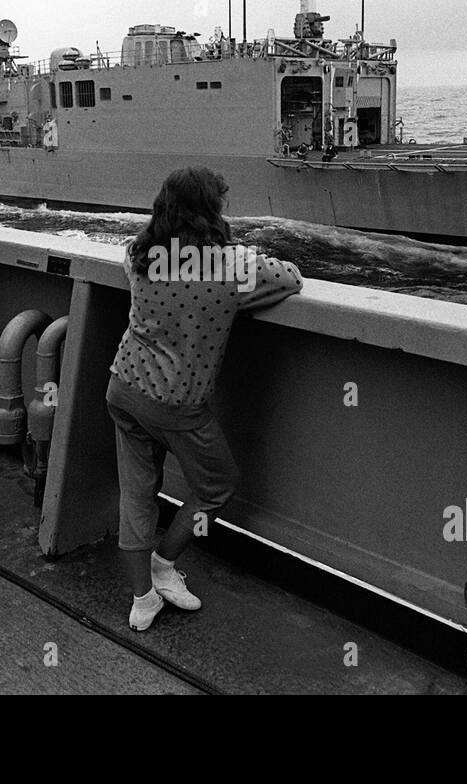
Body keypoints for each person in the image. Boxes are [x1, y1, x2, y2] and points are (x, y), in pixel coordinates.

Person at [105, 166, 303, 631]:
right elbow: (291, 278)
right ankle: (164, 563)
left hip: (124, 386)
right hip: (177, 405)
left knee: (136, 494)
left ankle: (142, 600)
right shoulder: (233, 266)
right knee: (217, 486)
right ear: (213, 211)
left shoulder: (139, 253)